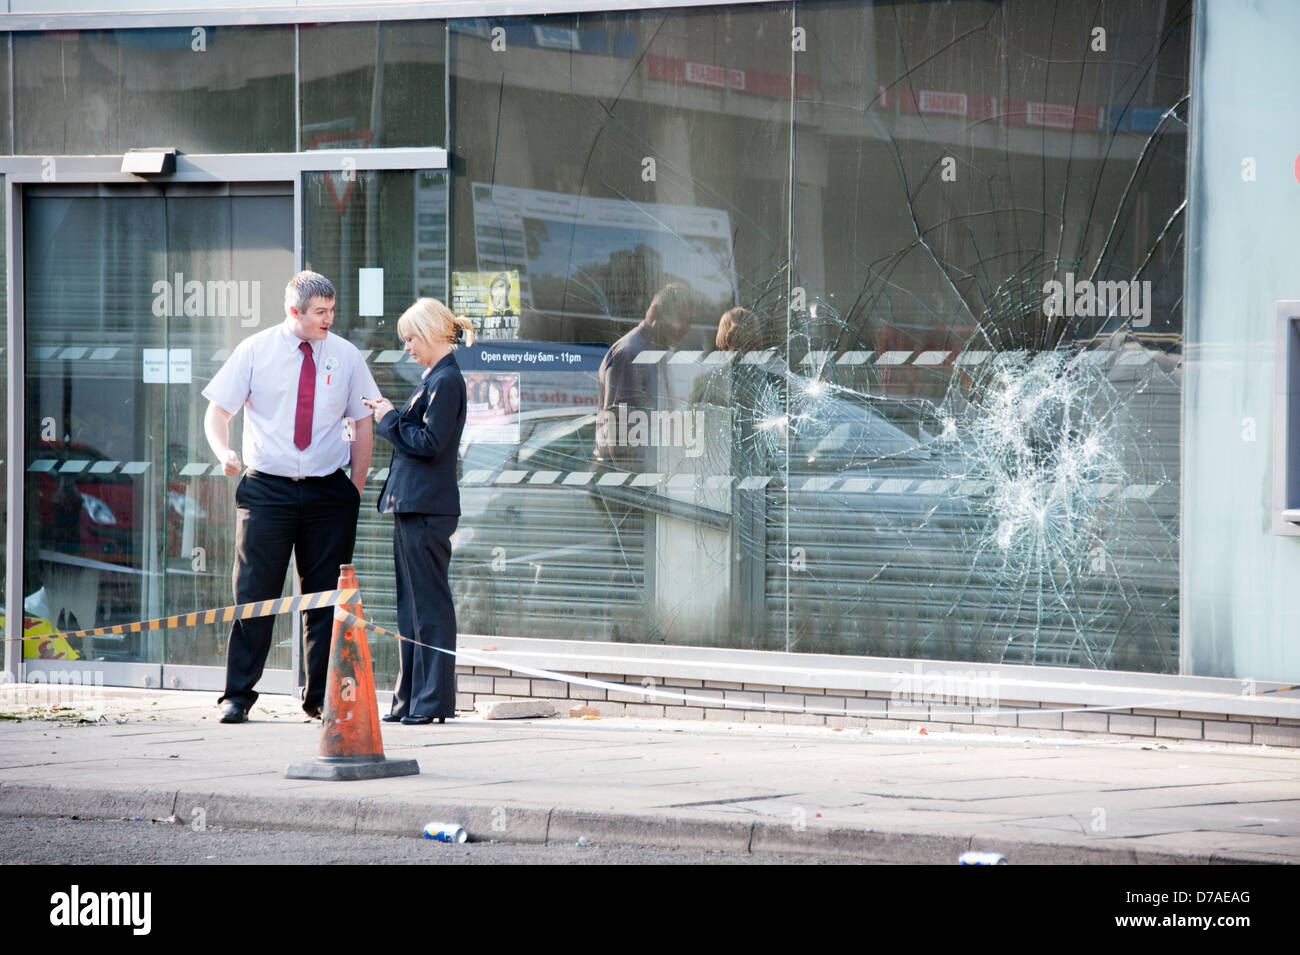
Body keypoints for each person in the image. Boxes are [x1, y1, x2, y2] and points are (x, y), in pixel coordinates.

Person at [202, 271, 376, 724]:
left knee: (323, 601)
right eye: (320, 312)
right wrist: (225, 452)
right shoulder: (256, 351)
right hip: (267, 489)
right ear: (293, 312)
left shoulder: (346, 355)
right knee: (254, 594)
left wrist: (353, 489)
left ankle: (320, 698)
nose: (328, 320)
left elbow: (362, 423)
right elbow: (217, 412)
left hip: (327, 490)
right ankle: (238, 694)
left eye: (332, 311)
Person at [362, 298, 473, 725]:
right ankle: (410, 700)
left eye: (410, 338)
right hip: (414, 505)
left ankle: (430, 701)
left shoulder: (446, 380)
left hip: (427, 506)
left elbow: (429, 443)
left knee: (428, 606)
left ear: (429, 334)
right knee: (411, 608)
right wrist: (391, 415)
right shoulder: (435, 378)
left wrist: (389, 419)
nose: (407, 347)